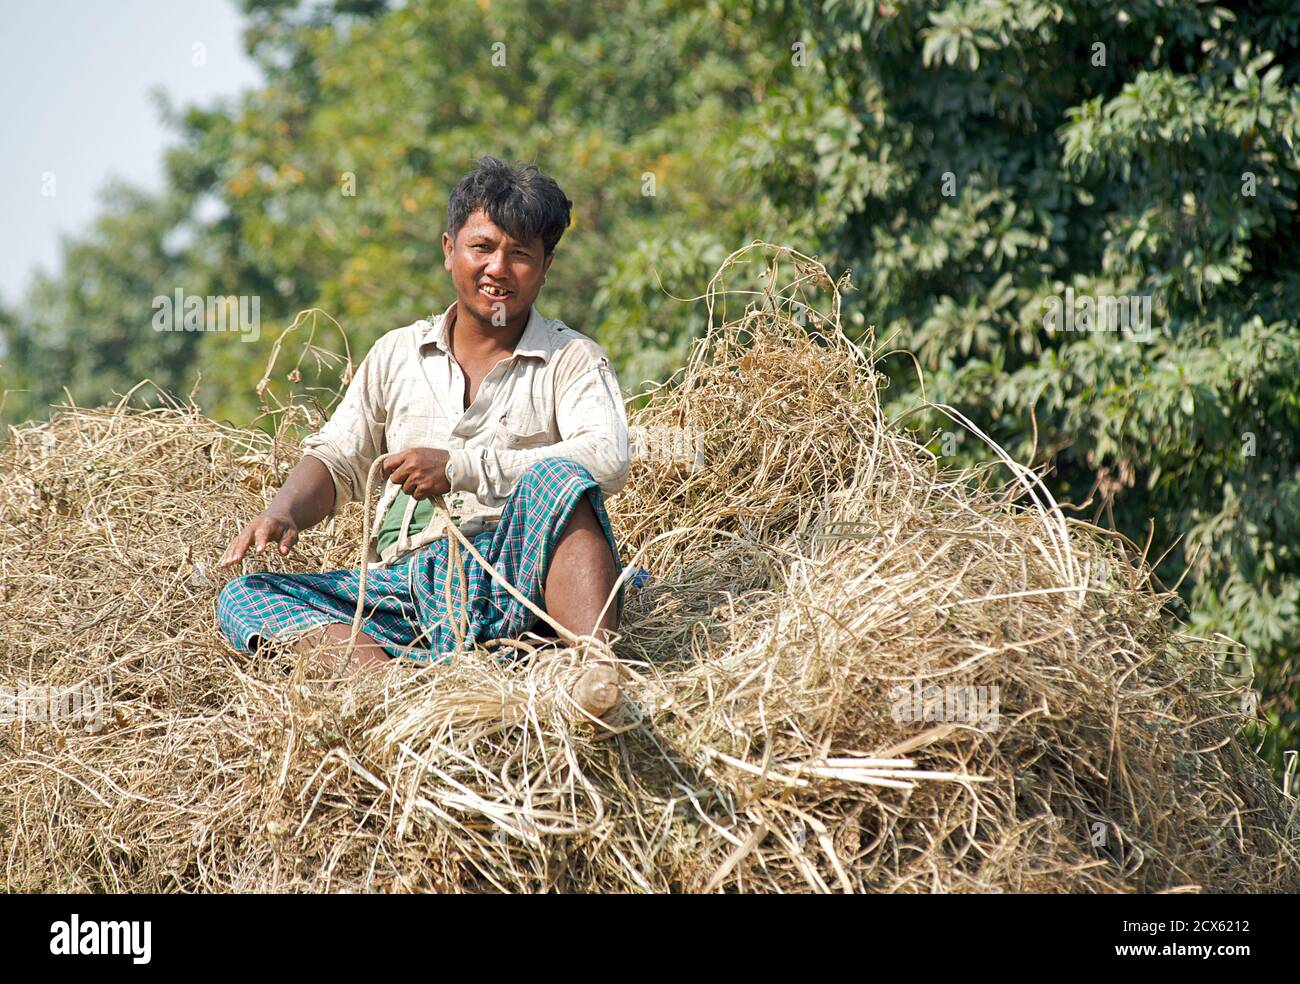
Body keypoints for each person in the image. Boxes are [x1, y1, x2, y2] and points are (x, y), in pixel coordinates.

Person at [215, 156, 630, 719]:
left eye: (521, 255)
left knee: (563, 480)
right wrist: (284, 511)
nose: (498, 269)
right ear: (448, 249)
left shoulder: (572, 359)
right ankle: (407, 702)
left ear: (546, 265)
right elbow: (338, 455)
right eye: (482, 248)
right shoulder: (396, 353)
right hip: (405, 589)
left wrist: (461, 467)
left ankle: (593, 679)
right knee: (247, 597)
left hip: (515, 576)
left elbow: (606, 458)